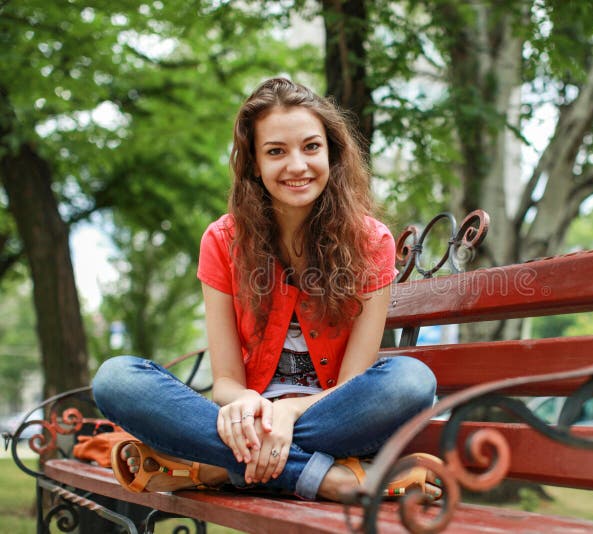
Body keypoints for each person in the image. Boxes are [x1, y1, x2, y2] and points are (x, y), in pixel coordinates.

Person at [92, 77, 440, 502]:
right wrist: (244, 405)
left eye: (311, 147)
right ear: (254, 164)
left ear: (332, 152)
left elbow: (353, 384)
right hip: (245, 419)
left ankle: (220, 467)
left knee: (412, 380)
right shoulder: (222, 242)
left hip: (332, 417)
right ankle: (326, 478)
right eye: (276, 151)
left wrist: (287, 412)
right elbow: (225, 383)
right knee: (117, 379)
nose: (297, 165)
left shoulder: (370, 243)